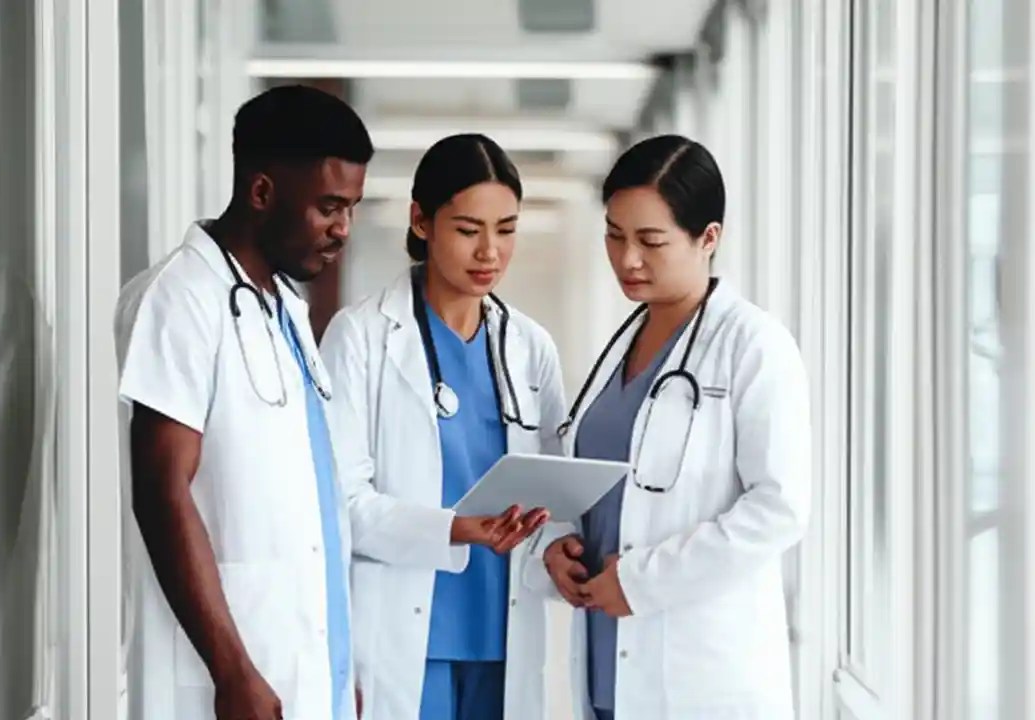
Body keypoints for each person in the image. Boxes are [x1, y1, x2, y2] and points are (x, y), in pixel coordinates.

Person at [114, 84, 373, 720]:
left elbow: (311, 513)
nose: (343, 230)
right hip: (235, 680)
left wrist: (340, 667)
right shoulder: (181, 298)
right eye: (329, 207)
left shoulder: (285, 308)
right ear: (261, 192)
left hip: (308, 675)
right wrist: (231, 670)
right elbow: (162, 491)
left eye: (351, 209)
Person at [533, 135, 810, 720]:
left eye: (651, 241)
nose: (627, 259)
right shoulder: (622, 345)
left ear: (708, 238)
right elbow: (592, 486)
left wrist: (643, 580)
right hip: (610, 668)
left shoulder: (753, 345)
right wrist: (555, 543)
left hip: (700, 676)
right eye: (615, 235)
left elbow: (779, 508)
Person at [320, 134, 566, 720]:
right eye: (468, 229)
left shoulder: (529, 348)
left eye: (506, 229)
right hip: (405, 630)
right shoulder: (360, 337)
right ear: (421, 222)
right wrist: (455, 529)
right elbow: (341, 503)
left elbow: (556, 487)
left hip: (503, 629)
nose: (489, 252)